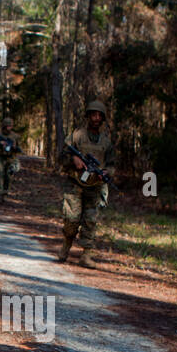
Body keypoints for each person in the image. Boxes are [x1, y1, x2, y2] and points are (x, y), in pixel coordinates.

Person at [58, 100, 115, 266]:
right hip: (75, 183)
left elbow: (111, 164)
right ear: (88, 116)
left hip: (94, 187)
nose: (96, 118)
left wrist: (106, 173)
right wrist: (73, 159)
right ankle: (66, 244)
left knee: (90, 220)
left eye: (99, 115)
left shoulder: (106, 142)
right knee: (71, 219)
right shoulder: (76, 136)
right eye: (93, 115)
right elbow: (61, 156)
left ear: (102, 118)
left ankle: (86, 255)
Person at [0, 117, 21, 203]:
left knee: (8, 177)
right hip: (1, 157)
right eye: (7, 126)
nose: (9, 128)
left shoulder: (15, 136)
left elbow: (19, 149)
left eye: (10, 126)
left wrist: (14, 147)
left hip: (11, 158)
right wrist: (0, 143)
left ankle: (4, 194)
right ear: (4, 126)